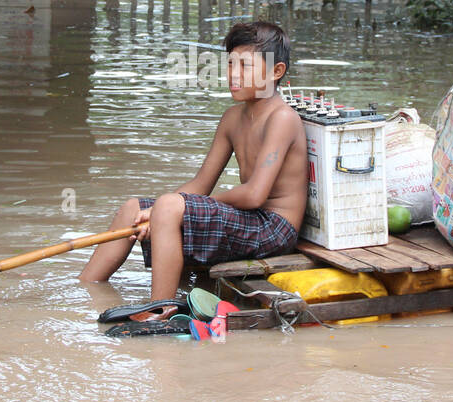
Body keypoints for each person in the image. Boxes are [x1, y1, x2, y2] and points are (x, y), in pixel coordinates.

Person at [77, 21, 307, 314]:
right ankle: (83, 292)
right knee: (132, 208)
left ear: (276, 71)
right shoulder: (232, 118)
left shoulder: (282, 118)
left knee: (171, 206)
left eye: (245, 66)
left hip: (273, 228)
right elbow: (201, 183)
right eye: (231, 64)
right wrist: (157, 210)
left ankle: (159, 311)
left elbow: (254, 195)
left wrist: (175, 207)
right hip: (247, 219)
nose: (233, 75)